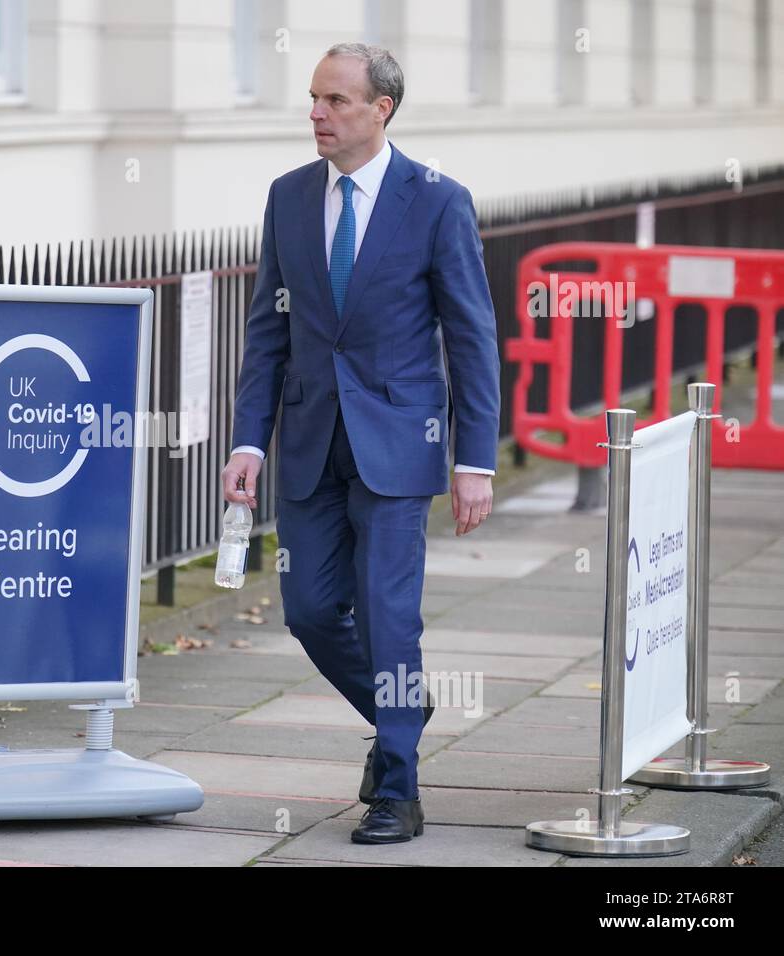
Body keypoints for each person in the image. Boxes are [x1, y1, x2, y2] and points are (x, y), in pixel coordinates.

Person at [221, 42, 500, 844]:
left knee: (388, 617)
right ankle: (403, 706)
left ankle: (398, 790)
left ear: (382, 109)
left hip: (399, 442)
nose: (317, 113)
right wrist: (249, 440)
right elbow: (267, 333)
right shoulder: (287, 197)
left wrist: (474, 458)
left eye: (336, 101)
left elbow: (471, 336)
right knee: (309, 611)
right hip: (309, 440)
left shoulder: (438, 200)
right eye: (313, 98)